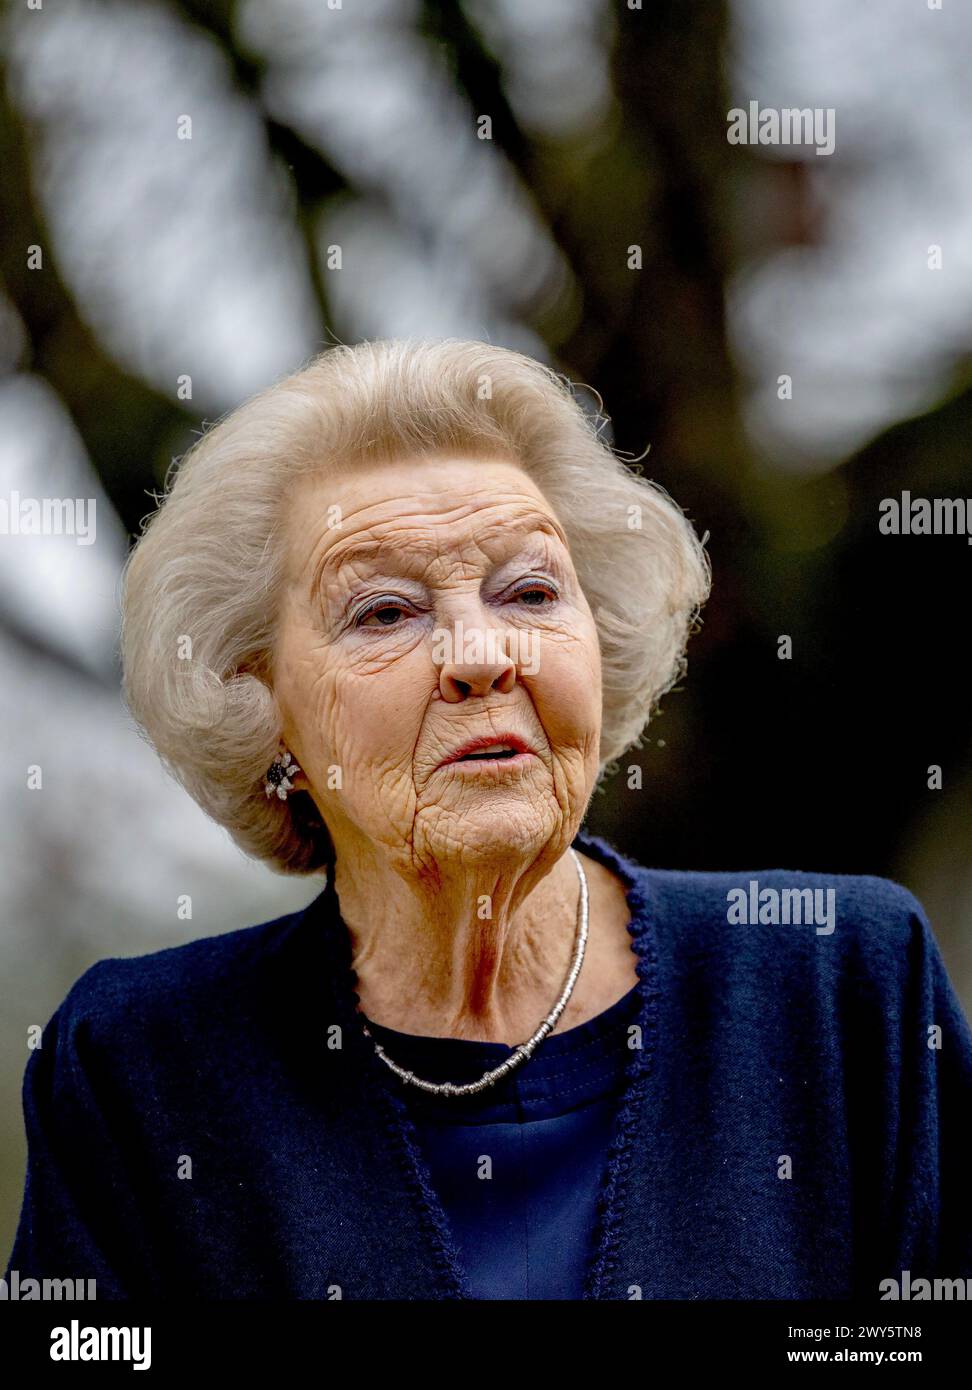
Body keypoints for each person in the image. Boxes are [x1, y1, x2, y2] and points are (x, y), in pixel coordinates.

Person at [6, 339, 971, 1299]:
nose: (481, 652)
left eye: (530, 592)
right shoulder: (143, 1068)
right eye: (384, 612)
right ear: (262, 708)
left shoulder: (842, 986)